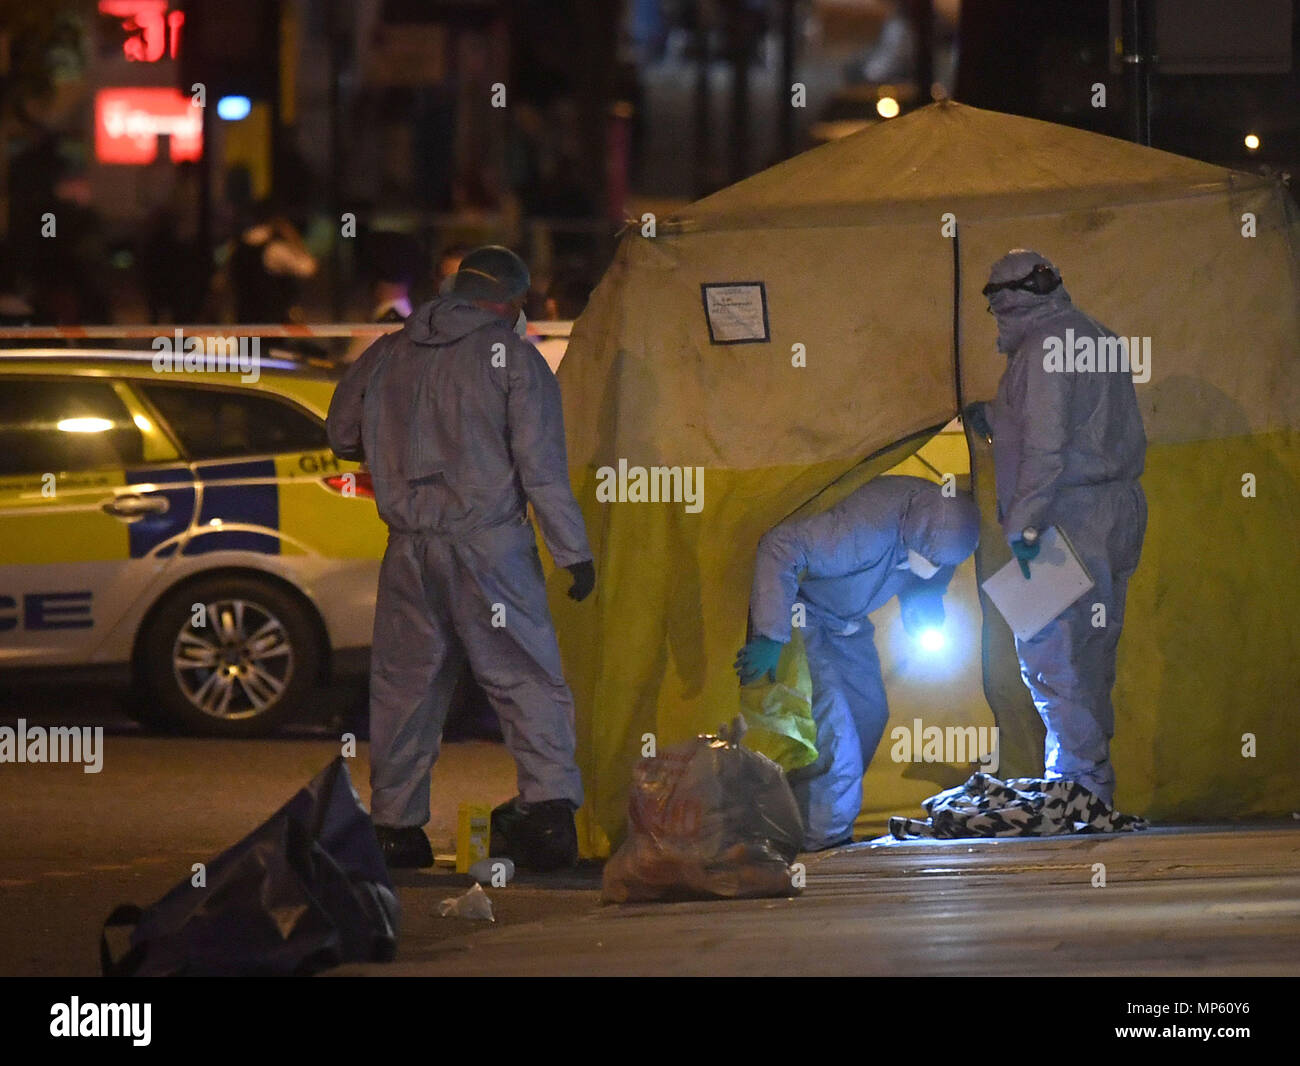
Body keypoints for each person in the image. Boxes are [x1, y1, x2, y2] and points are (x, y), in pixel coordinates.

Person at [326, 245, 595, 871]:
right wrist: (573, 552)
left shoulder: (387, 353)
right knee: (524, 675)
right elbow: (542, 470)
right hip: (489, 544)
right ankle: (550, 812)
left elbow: (341, 434)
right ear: (509, 301)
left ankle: (395, 828)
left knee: (405, 686)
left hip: (409, 549)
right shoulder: (514, 362)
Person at [967, 249, 1147, 806]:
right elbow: (1086, 424)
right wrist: (996, 417)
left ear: (1007, 300)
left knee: (1051, 654)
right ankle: (1092, 788)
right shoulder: (1099, 337)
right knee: (1092, 652)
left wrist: (1023, 531)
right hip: (1116, 510)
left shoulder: (1043, 351)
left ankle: (1077, 788)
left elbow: (1046, 449)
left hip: (1062, 513)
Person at [735, 475, 980, 850]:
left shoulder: (935, 522)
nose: (933, 565)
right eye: (930, 559)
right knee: (835, 729)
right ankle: (823, 846)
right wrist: (772, 634)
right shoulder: (860, 531)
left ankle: (797, 821)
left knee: (869, 714)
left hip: (845, 624)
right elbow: (779, 547)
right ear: (912, 534)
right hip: (803, 617)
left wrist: (923, 601)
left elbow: (929, 572)